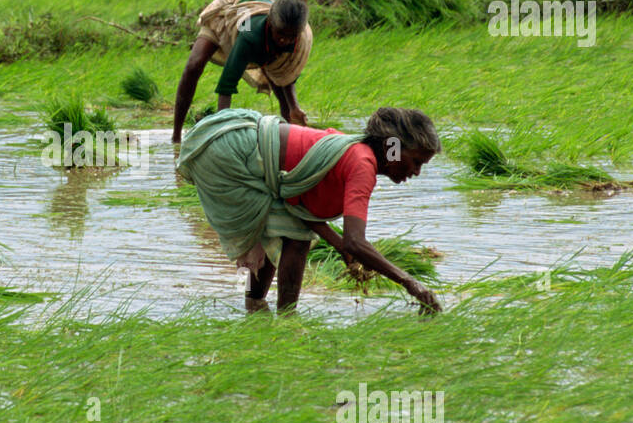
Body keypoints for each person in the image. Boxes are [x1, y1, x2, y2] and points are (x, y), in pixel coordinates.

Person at [177, 106, 442, 313]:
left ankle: (257, 309)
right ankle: (286, 317)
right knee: (292, 237)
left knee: (283, 228)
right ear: (393, 147)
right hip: (230, 152)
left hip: (230, 139)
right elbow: (355, 241)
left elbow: (303, 211)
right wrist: (410, 283)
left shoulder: (354, 151)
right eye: (416, 162)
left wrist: (340, 247)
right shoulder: (362, 164)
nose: (416, 172)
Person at [171, 0, 313, 143]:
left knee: (282, 93)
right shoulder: (249, 36)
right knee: (194, 65)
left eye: (290, 37)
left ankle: (291, 141)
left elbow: (285, 77)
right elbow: (227, 84)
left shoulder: (299, 40)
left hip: (261, 27)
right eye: (280, 34)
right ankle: (176, 136)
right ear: (271, 24)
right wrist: (222, 129)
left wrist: (294, 107)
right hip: (231, 9)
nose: (284, 40)